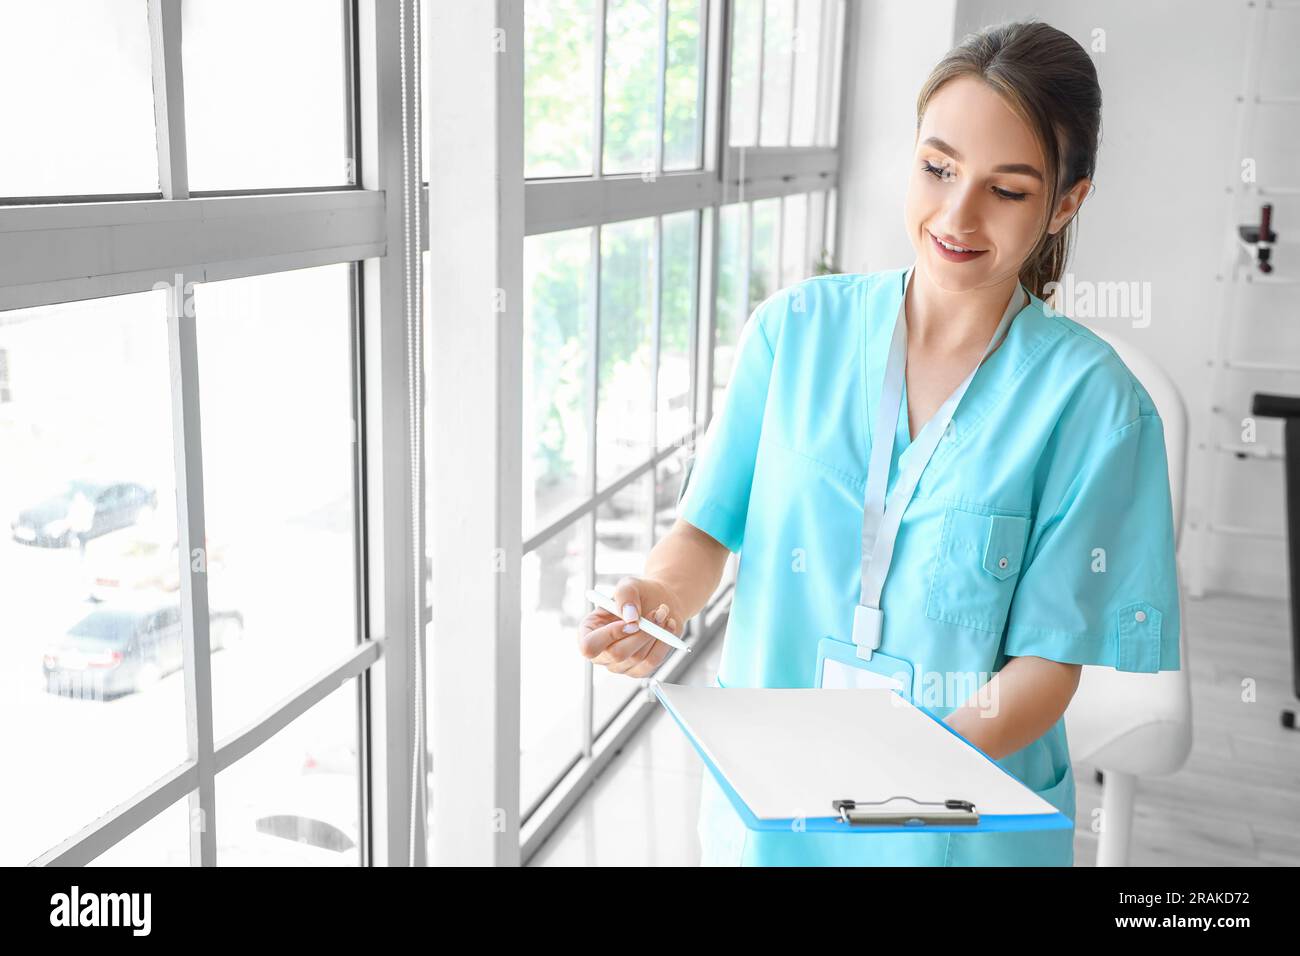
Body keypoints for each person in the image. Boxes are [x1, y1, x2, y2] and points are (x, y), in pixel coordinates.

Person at [575, 19, 1180, 866]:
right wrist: (658, 597)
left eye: (1007, 190)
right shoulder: (794, 332)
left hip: (955, 819)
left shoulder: (1095, 406)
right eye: (937, 168)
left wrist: (903, 780)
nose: (957, 215)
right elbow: (708, 532)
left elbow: (1047, 668)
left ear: (1067, 202)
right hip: (775, 811)